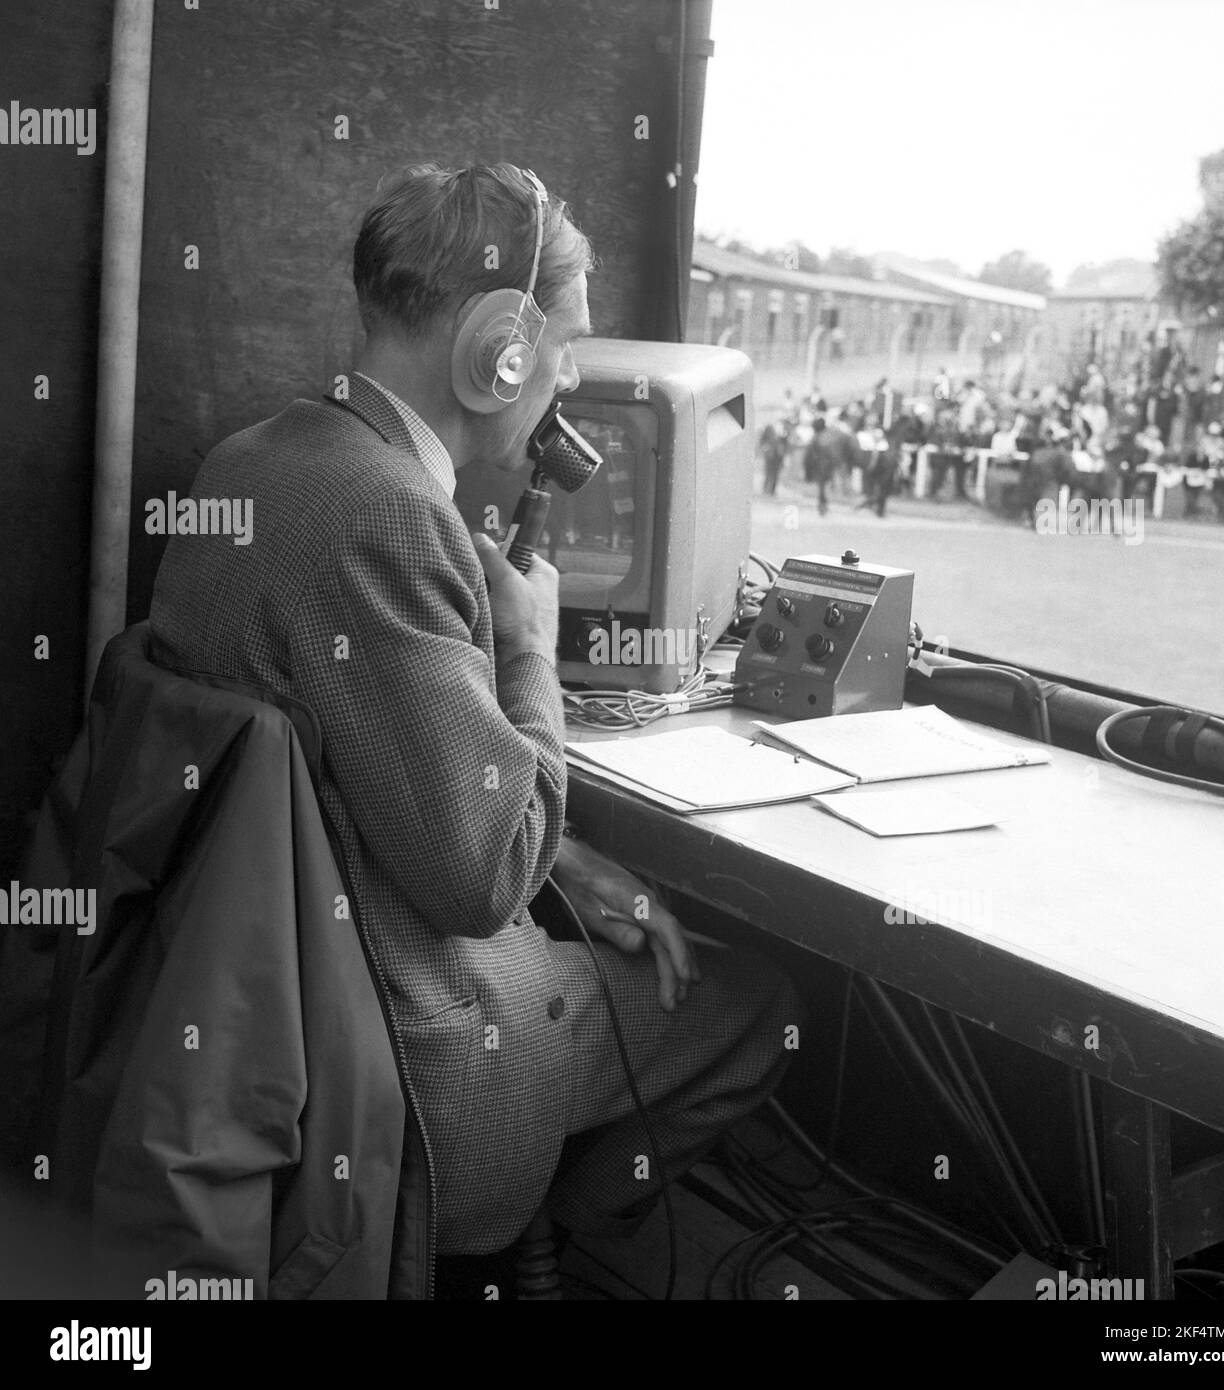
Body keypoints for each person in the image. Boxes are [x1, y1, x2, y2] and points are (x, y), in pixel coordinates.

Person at [147, 162, 799, 1288]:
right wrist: (527, 648)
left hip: (245, 1008)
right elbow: (483, 876)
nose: (568, 377)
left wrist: (572, 861)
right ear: (503, 349)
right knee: (760, 1005)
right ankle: (555, 1246)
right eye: (565, 347)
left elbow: (345, 787)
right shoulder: (392, 518)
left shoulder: (249, 464)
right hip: (413, 1061)